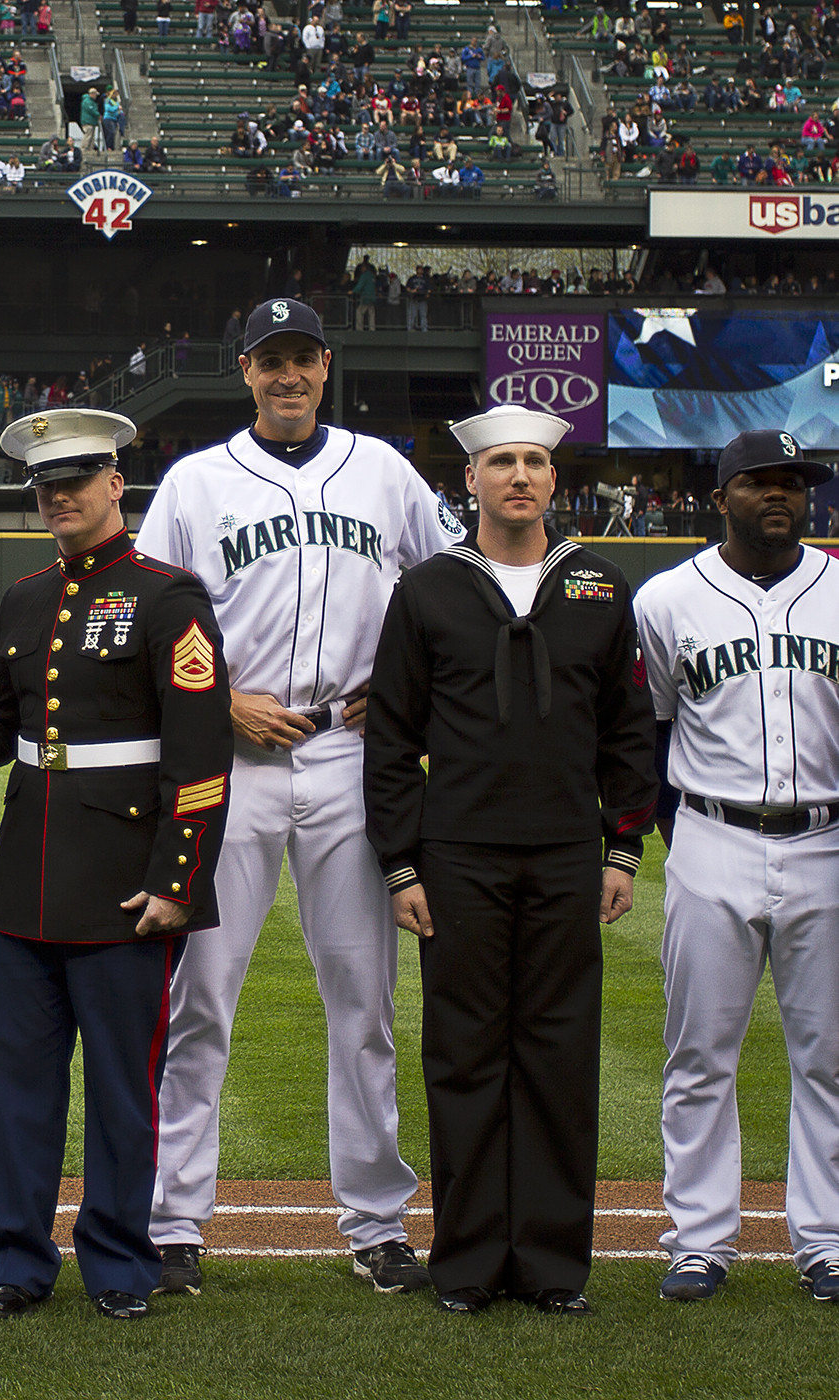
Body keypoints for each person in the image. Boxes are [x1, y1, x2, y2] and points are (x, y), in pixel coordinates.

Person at [135, 298, 464, 1298]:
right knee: (199, 997)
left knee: (364, 1001)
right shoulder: (195, 480)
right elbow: (151, 613)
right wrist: (218, 700)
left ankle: (377, 1222)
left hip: (350, 756)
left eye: (302, 358)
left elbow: (451, 589)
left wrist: (404, 690)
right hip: (230, 760)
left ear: (326, 366)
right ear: (244, 370)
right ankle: (171, 1221)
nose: (287, 375)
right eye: (268, 359)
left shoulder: (384, 470)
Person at [0, 408, 233, 1321]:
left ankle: (119, 1264)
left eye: (75, 481)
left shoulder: (168, 595)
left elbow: (201, 754)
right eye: (45, 485)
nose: (59, 496)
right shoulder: (26, 597)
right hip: (28, 879)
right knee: (21, 1089)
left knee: (121, 1090)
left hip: (126, 883)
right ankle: (17, 1262)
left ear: (114, 485)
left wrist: (178, 882)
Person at [364, 404, 656, 1318]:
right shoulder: (427, 589)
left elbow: (627, 731)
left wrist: (622, 847)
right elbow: (391, 737)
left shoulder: (600, 585)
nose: (519, 476)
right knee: (465, 1057)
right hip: (458, 859)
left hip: (567, 854)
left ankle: (554, 1265)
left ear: (554, 480)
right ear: (472, 480)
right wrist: (402, 864)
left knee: (559, 1057)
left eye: (534, 461)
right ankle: (468, 1262)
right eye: (501, 463)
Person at [633, 429, 839, 1307]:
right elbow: (650, 732)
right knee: (699, 1052)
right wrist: (679, 838)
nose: (780, 494)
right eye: (760, 482)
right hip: (710, 835)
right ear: (720, 497)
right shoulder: (666, 599)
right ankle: (699, 1240)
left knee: (829, 1057)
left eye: (794, 481)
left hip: (827, 839)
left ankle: (827, 1241)